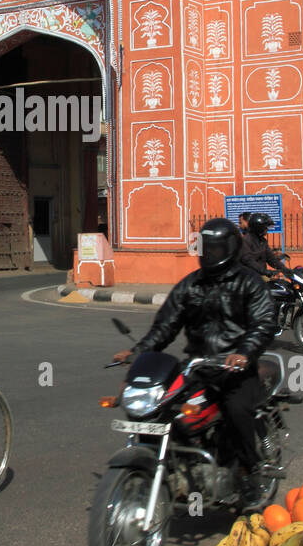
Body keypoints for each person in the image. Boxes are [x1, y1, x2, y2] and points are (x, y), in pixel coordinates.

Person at [112, 217, 278, 509]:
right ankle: (171, 466)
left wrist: (243, 352)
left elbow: (263, 323)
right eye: (206, 248)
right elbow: (165, 326)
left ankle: (249, 472)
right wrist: (138, 351)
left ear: (229, 248)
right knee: (164, 407)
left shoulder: (248, 282)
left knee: (235, 410)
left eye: (215, 248)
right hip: (198, 367)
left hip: (236, 370)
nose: (209, 254)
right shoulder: (191, 285)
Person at [238, 212, 287, 281]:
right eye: (265, 227)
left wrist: (285, 269)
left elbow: (271, 258)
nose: (267, 229)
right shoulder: (245, 241)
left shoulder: (262, 241)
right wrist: (266, 272)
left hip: (260, 276)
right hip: (249, 279)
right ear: (259, 228)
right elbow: (249, 261)